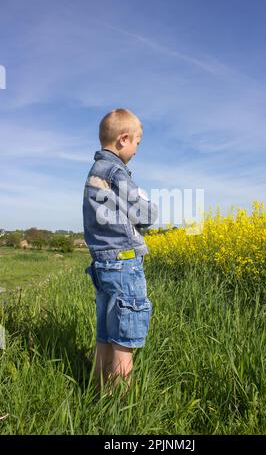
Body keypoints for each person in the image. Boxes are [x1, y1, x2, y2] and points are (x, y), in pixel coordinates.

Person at [83, 108, 158, 398]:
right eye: (137, 143)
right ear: (124, 139)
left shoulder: (94, 172)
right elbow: (146, 215)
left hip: (103, 265)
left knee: (105, 336)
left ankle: (98, 393)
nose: (137, 150)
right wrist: (148, 204)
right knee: (124, 342)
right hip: (124, 266)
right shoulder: (116, 172)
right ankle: (120, 407)